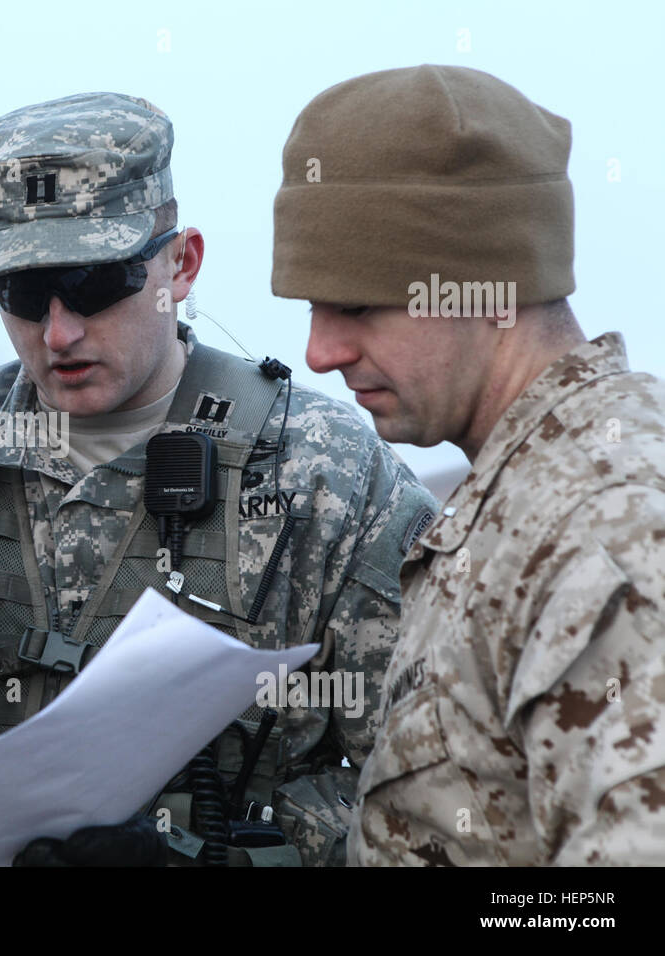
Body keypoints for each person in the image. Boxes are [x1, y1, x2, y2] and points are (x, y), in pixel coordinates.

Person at [0, 91, 438, 866]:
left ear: (179, 265)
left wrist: (238, 857)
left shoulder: (324, 474)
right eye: (21, 293)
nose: (59, 332)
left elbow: (435, 776)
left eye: (94, 283)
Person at [272, 64, 665, 865]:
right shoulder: (521, 491)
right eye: (311, 307)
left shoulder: (610, 523)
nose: (320, 352)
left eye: (356, 305)